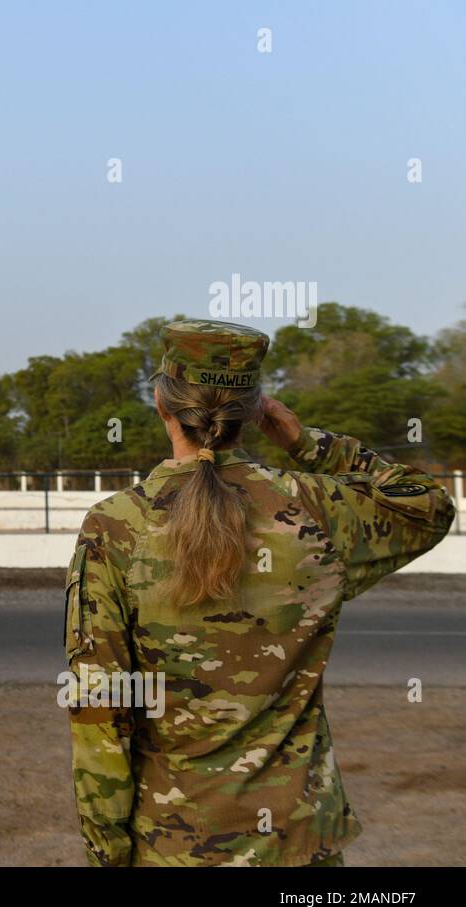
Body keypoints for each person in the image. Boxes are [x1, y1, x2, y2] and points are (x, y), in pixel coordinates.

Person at [64, 319, 455, 867]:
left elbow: (100, 709)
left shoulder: (116, 527)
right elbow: (426, 504)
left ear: (162, 402)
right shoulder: (315, 510)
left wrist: (107, 853)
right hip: (299, 846)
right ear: (256, 410)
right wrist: (308, 444)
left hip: (174, 847)